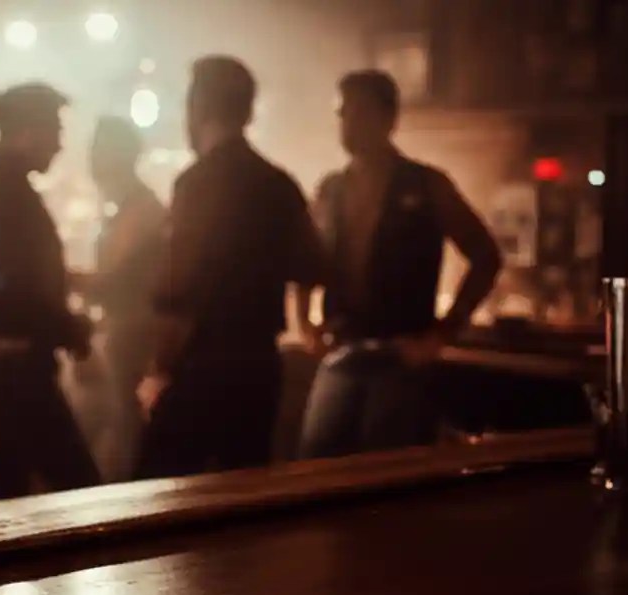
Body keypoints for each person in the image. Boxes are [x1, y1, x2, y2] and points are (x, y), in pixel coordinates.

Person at [135, 56, 325, 480]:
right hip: (259, 365)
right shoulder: (279, 183)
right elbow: (311, 264)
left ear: (198, 108)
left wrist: (159, 368)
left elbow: (178, 284)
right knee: (243, 490)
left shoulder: (196, 183)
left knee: (160, 491)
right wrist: (307, 326)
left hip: (201, 363)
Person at [295, 70, 502, 459]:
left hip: (402, 353)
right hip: (342, 346)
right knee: (317, 462)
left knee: (384, 467)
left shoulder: (426, 184)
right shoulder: (331, 189)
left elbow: (486, 257)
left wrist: (442, 333)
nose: (347, 123)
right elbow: (304, 258)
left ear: (387, 118)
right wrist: (305, 322)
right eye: (343, 112)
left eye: (358, 111)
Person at [0, 82, 101, 500]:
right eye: (55, 130)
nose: (60, 144)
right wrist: (71, 330)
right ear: (27, 132)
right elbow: (11, 288)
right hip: (12, 372)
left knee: (0, 501)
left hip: (11, 368)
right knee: (84, 497)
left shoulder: (3, 190)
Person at [81, 116, 166, 481]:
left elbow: (112, 277)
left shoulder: (140, 210)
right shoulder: (126, 207)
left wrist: (58, 278)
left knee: (125, 429)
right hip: (124, 330)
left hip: (133, 332)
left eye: (98, 150)